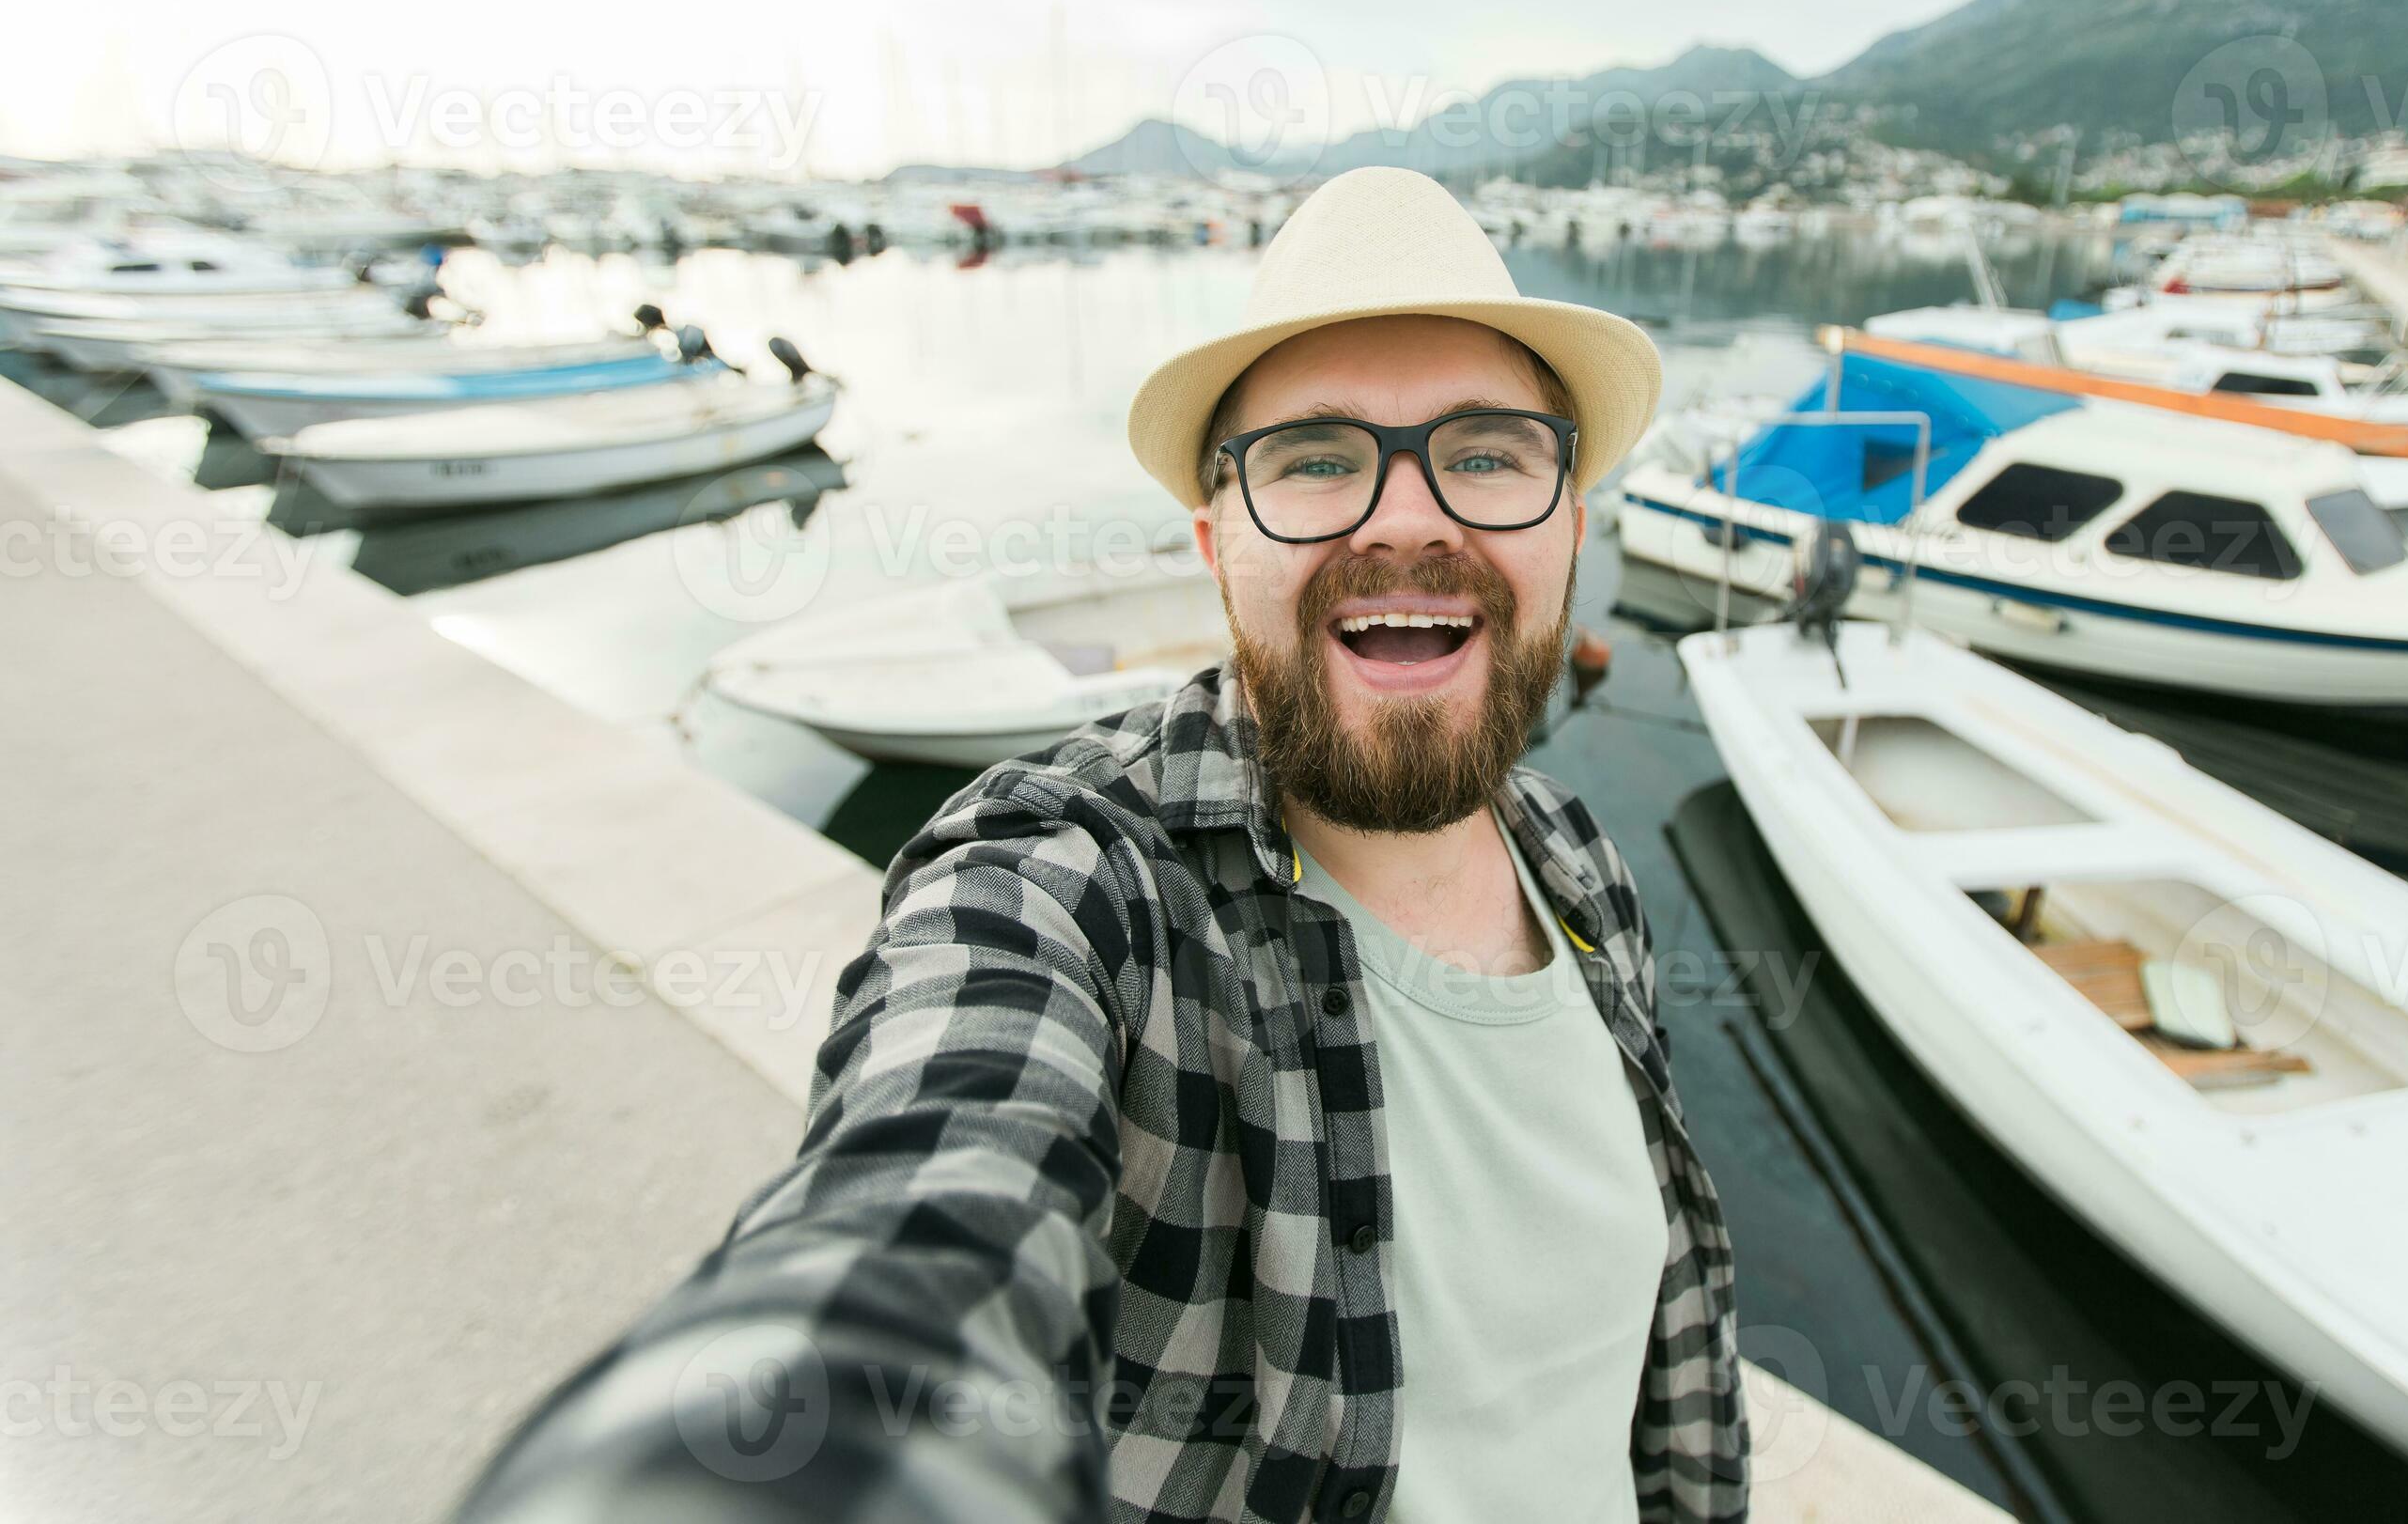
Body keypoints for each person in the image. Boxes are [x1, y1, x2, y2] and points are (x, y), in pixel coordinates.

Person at [457, 166, 1748, 1524]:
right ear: (1215, 544)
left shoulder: (1580, 864)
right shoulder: (1072, 884)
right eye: (1315, 460)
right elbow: (931, 1184)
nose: (1408, 517)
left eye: (1486, 455)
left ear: (1570, 529)